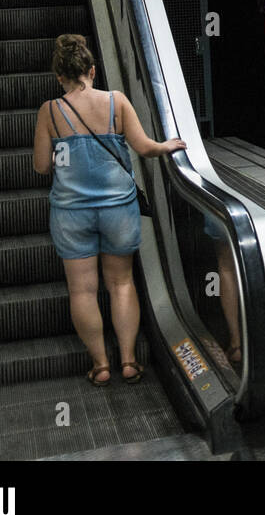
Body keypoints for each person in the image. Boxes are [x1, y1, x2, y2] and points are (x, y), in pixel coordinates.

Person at [32, 34, 186, 387]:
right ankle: (129, 361)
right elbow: (144, 148)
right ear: (92, 70)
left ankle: (101, 365)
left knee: (83, 291)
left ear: (60, 77)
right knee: (121, 283)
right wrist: (167, 145)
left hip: (71, 214)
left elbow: (42, 166)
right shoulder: (117, 102)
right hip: (118, 208)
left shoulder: (49, 112)